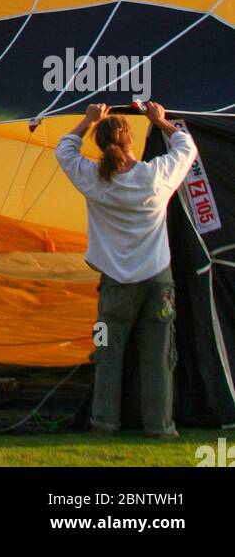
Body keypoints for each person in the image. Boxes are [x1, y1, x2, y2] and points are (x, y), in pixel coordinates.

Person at [55, 101, 196, 438]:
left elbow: (63, 148)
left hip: (115, 286)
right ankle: (160, 427)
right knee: (159, 357)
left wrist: (88, 121)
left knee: (107, 353)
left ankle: (104, 423)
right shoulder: (155, 176)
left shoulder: (93, 179)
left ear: (101, 144)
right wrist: (160, 122)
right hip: (158, 282)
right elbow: (187, 146)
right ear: (131, 141)